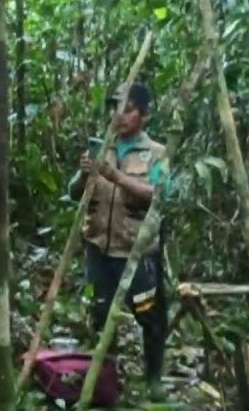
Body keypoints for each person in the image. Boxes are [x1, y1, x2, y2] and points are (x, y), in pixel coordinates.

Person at [67, 82, 171, 390]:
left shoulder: (157, 154)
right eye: (115, 108)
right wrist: (86, 173)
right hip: (99, 247)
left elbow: (159, 195)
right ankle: (107, 381)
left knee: (149, 317)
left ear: (144, 115)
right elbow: (74, 193)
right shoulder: (102, 148)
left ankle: (153, 379)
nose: (119, 115)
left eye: (128, 109)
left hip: (136, 250)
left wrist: (116, 177)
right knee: (101, 316)